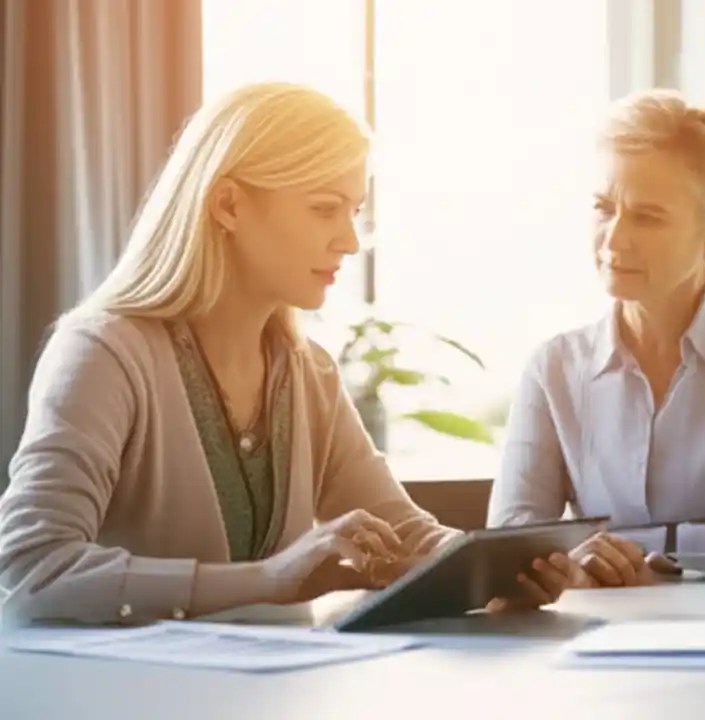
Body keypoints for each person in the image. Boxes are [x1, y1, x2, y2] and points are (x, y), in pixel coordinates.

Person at [0, 83, 573, 626]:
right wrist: (267, 580)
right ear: (227, 204)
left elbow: (406, 535)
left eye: (353, 211)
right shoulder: (105, 353)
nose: (349, 240)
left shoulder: (308, 371)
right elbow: (33, 568)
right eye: (326, 208)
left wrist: (500, 570)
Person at [488, 89, 705, 585]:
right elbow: (510, 541)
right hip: (592, 641)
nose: (614, 239)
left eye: (647, 217)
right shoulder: (554, 368)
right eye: (603, 207)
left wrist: (608, 549)